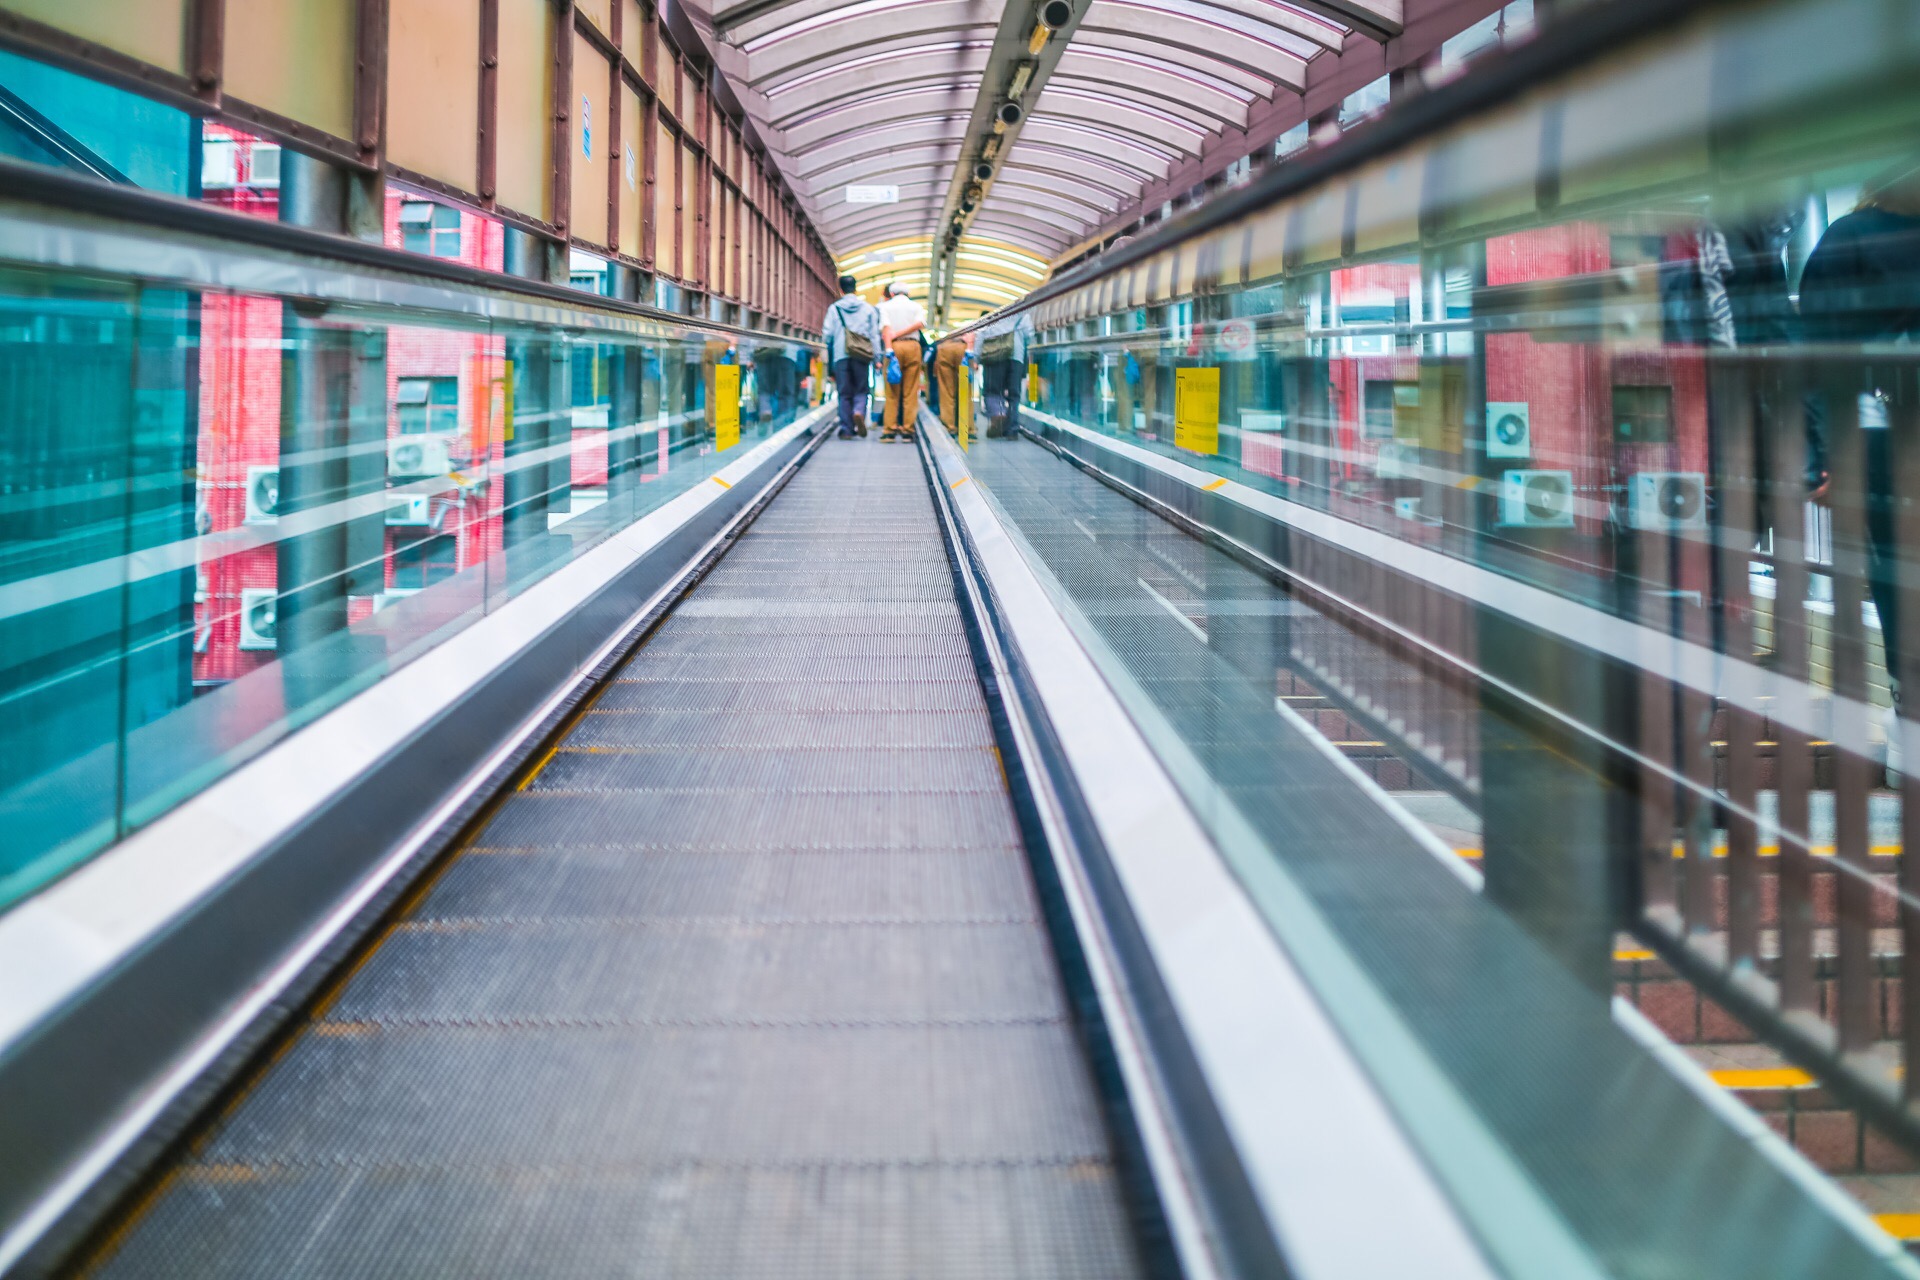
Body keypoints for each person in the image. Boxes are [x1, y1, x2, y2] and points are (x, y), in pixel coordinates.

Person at [822, 274, 881, 439]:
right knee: (861, 389)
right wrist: (877, 358)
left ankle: (847, 429)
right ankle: (858, 411)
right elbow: (874, 335)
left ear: (840, 289)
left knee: (844, 392)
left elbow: (827, 334)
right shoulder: (868, 308)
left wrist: (826, 352)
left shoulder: (834, 308)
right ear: (856, 288)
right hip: (862, 354)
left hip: (841, 355)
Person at [877, 281, 927, 442]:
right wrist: (901, 333)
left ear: (891, 294)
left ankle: (889, 431)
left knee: (892, 392)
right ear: (908, 294)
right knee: (911, 392)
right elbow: (920, 324)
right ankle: (907, 431)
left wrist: (890, 347)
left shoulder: (885, 307)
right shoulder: (916, 306)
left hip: (894, 346)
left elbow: (886, 329)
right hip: (913, 346)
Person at [933, 330, 973, 431]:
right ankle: (967, 430)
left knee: (947, 391)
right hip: (964, 347)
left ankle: (949, 426)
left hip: (945, 347)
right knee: (965, 390)